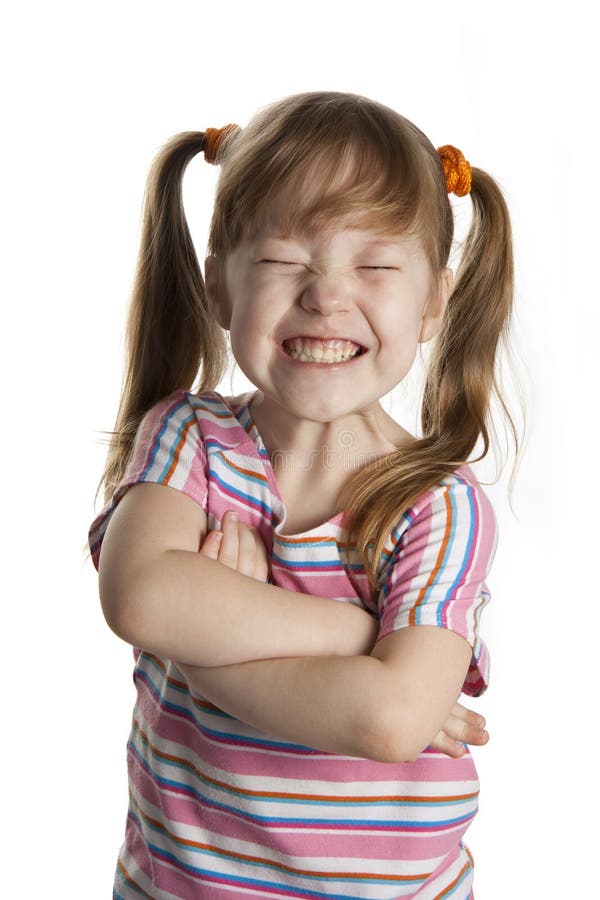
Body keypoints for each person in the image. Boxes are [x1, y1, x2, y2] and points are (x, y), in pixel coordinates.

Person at [88, 91, 518, 899]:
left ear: (432, 302)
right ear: (218, 287)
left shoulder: (436, 505)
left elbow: (389, 719)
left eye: (376, 264)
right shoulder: (191, 438)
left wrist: (214, 629)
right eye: (286, 260)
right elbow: (142, 600)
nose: (326, 295)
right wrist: (356, 635)